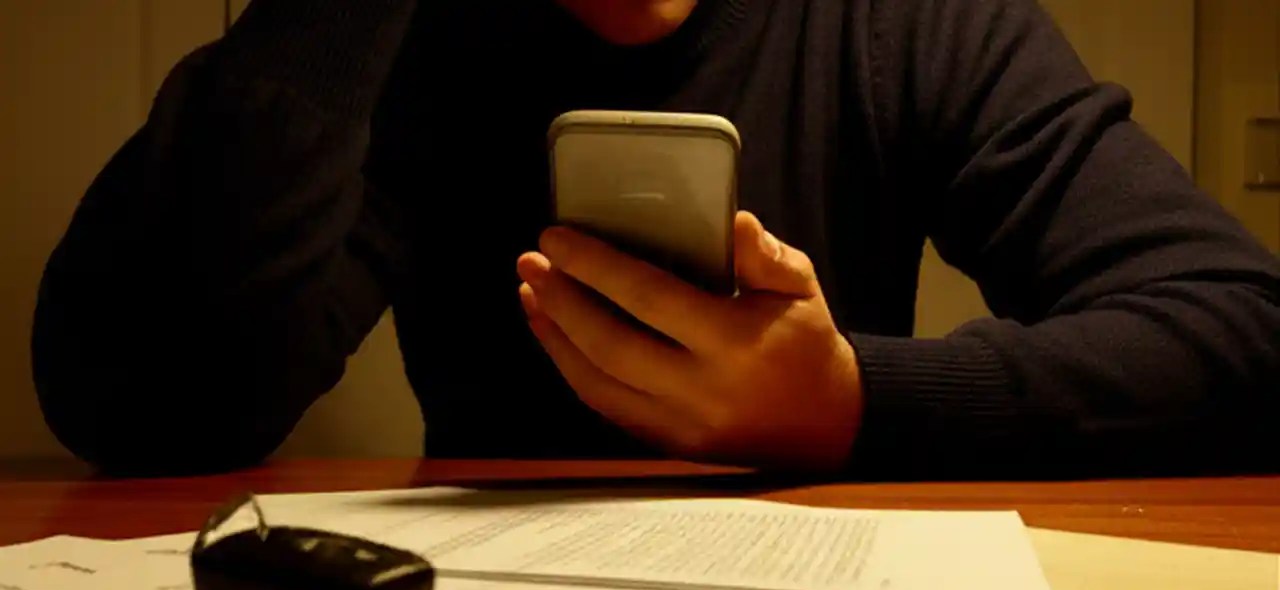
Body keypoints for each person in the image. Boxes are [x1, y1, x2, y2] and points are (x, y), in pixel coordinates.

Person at [31, 0, 1280, 479]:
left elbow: (1242, 329)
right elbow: (137, 408)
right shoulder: (413, 37)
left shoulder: (908, 18)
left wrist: (856, 401)